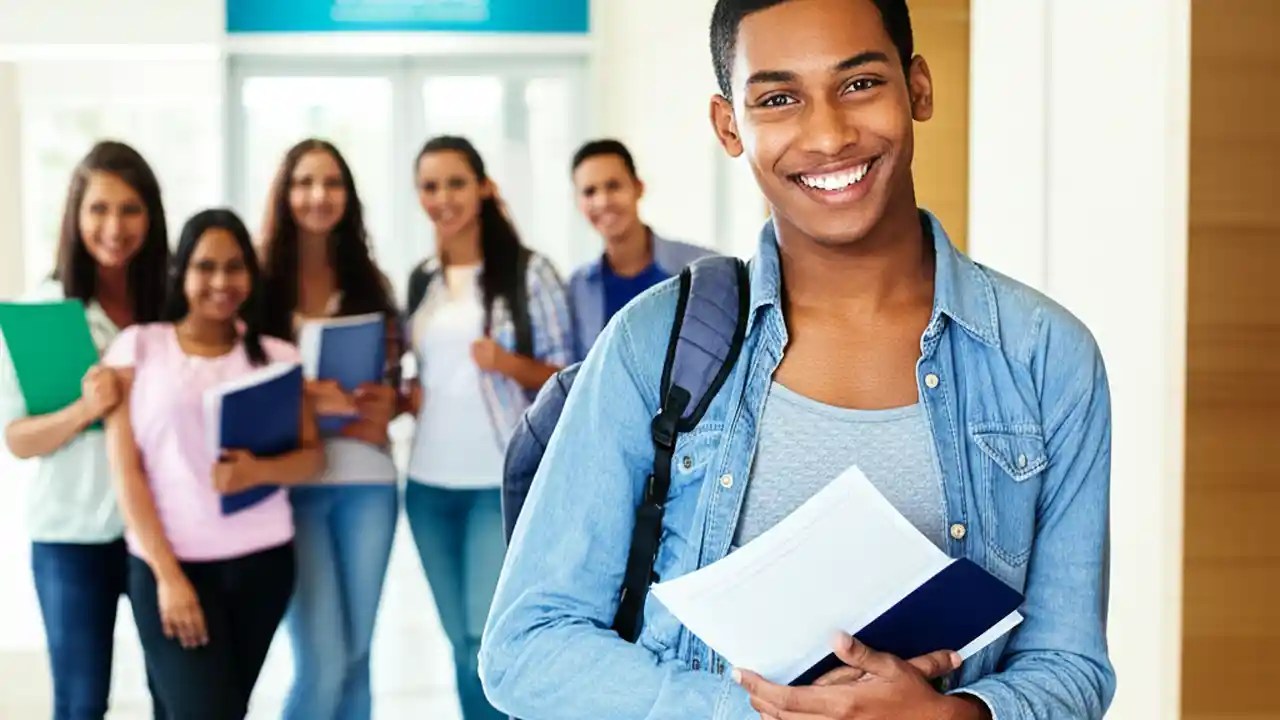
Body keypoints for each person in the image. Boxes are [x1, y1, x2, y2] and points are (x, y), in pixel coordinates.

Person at [479, 1, 1115, 719]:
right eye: (779, 99)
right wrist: (755, 713)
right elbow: (525, 648)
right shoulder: (649, 346)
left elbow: (1070, 665)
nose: (829, 134)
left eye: (860, 84)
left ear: (918, 88)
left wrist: (951, 715)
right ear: (729, 125)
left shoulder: (1045, 358)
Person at [104, 209, 325, 720]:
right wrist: (168, 577)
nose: (221, 282)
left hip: (263, 566)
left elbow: (313, 458)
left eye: (234, 267)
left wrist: (258, 472)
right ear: (181, 271)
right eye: (205, 267)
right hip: (170, 566)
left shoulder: (278, 356)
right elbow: (127, 472)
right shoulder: (138, 347)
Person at [404, 135, 572, 720]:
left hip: (494, 485)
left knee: (484, 640)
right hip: (426, 485)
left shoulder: (529, 273)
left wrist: (505, 362)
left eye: (456, 183)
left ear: (482, 188)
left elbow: (569, 378)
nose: (443, 198)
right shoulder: (423, 279)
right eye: (430, 186)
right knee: (457, 641)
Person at [0, 141, 169, 720]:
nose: (114, 227)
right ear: (75, 215)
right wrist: (84, 409)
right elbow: (18, 439)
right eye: (99, 209)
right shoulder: (42, 311)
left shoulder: (172, 308)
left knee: (174, 696)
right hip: (70, 537)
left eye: (130, 209)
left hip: (163, 532)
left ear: (151, 216)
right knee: (81, 703)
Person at [259, 139, 401, 720]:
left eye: (331, 183)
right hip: (293, 490)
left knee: (358, 659)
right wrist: (308, 397)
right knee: (321, 662)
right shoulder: (259, 287)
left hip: (368, 481)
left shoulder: (371, 285)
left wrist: (387, 403)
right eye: (304, 182)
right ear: (284, 193)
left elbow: (393, 389)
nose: (318, 195)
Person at [566, 139, 713, 360]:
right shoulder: (578, 289)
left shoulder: (704, 268)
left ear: (638, 188)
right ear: (578, 203)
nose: (603, 201)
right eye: (589, 192)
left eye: (613, 186)